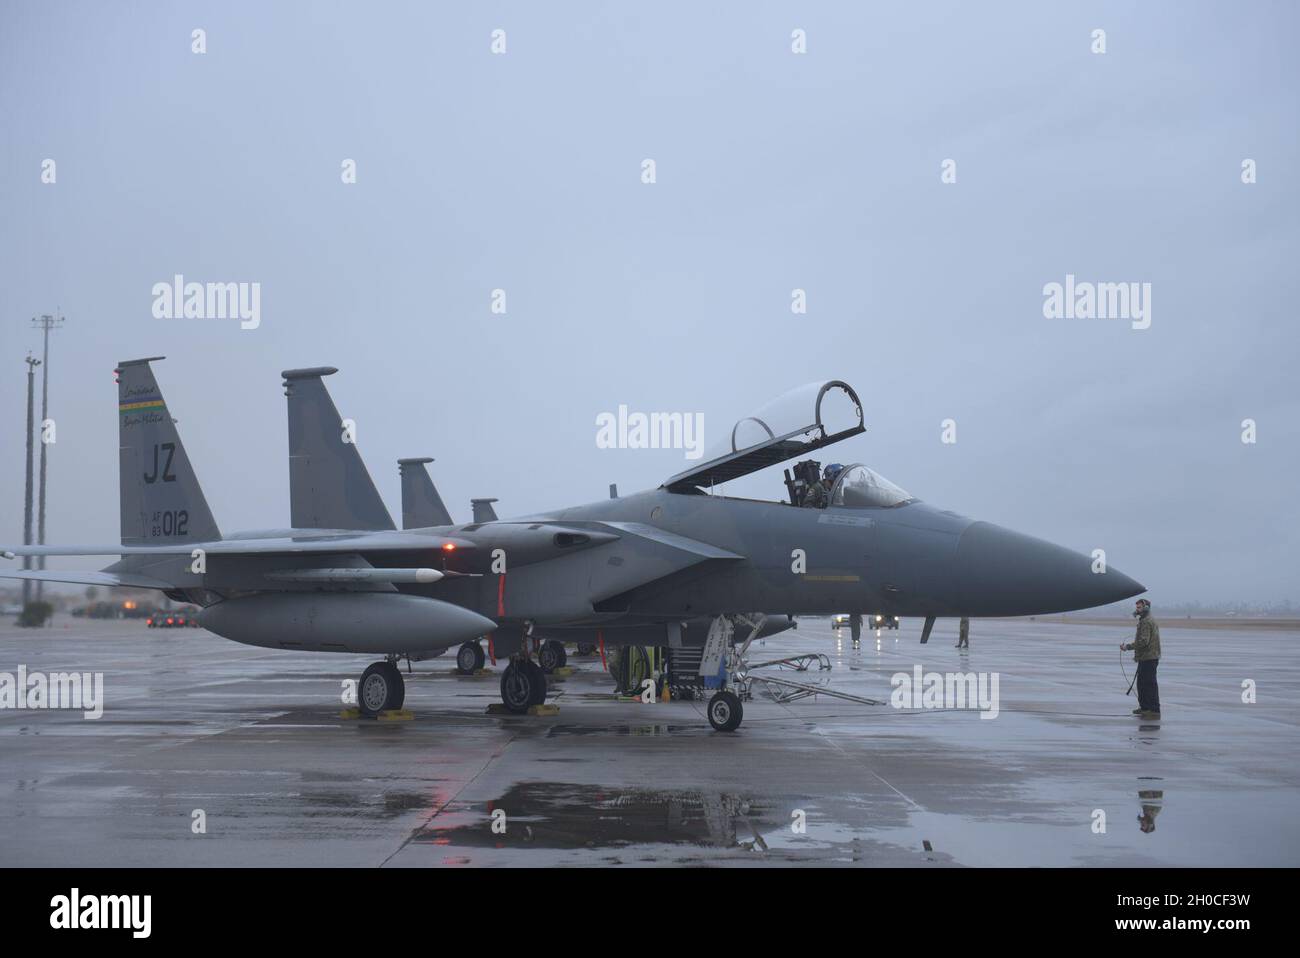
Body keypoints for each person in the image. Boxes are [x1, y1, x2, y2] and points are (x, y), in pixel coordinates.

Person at [1121, 598, 1160, 718]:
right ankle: (1144, 707)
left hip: (1149, 657)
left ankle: (1152, 709)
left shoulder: (1146, 621)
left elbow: (1143, 641)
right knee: (1142, 683)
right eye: (1136, 607)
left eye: (1139, 607)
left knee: (1148, 684)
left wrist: (1128, 647)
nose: (1137, 610)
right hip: (1146, 657)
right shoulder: (1144, 620)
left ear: (1146, 608)